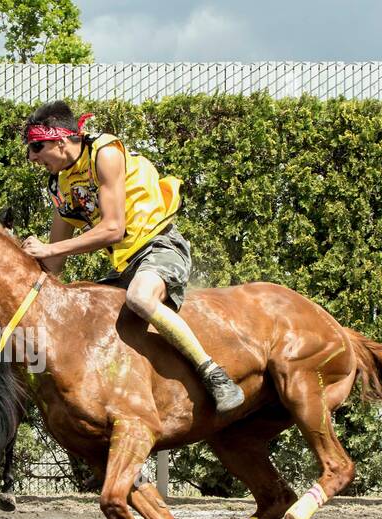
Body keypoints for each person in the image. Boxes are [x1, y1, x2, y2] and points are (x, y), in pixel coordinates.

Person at [19, 100, 245, 411]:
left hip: (160, 246)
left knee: (139, 298)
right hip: (124, 266)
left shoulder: (105, 153)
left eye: (36, 147)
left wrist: (49, 248)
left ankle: (212, 373)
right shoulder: (59, 184)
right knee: (81, 315)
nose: (31, 157)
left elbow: (113, 229)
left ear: (59, 140)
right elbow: (54, 264)